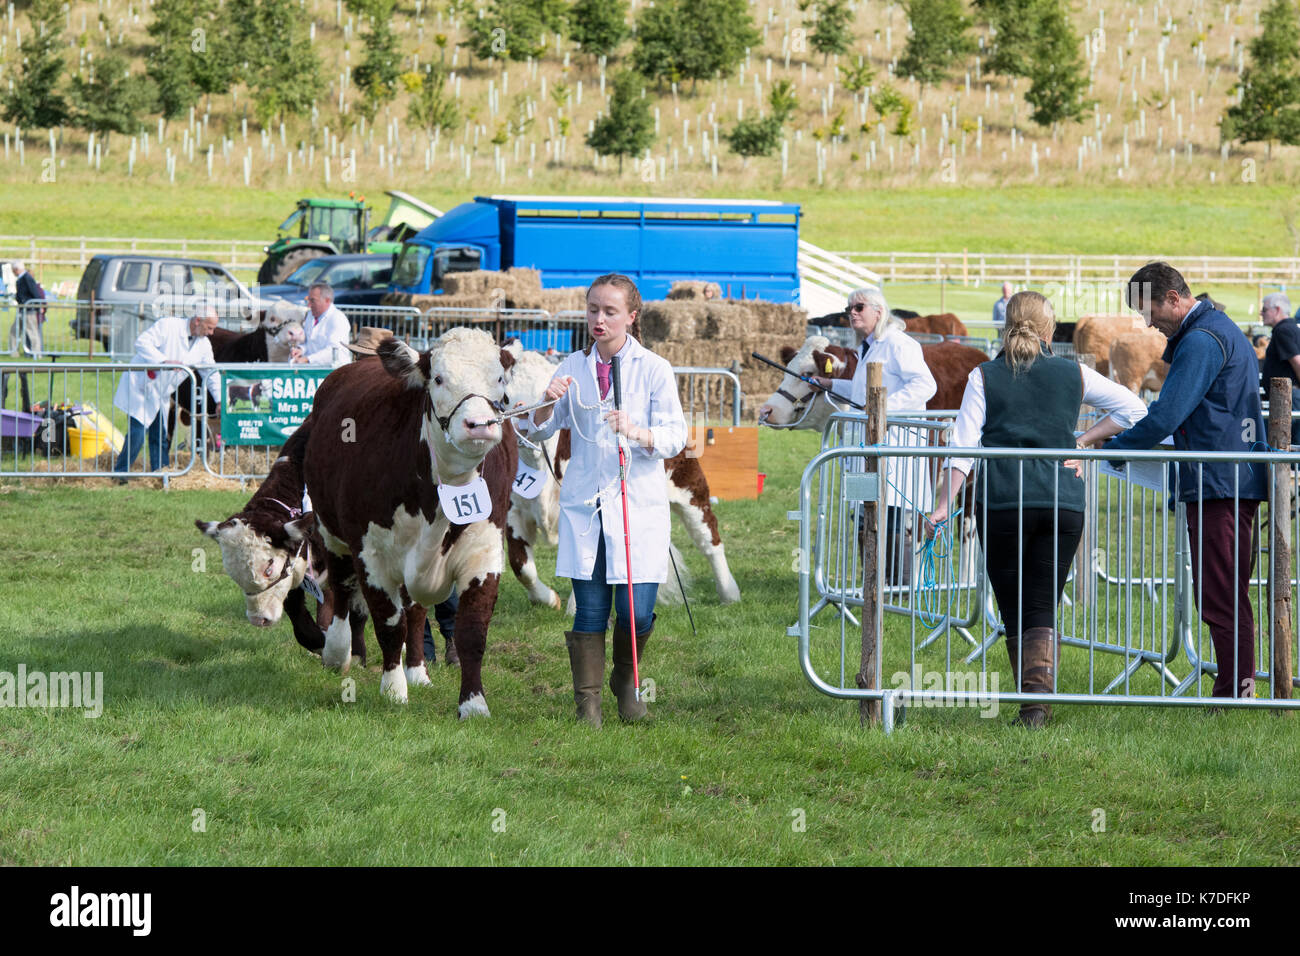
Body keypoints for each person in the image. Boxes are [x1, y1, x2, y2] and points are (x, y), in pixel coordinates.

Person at [927, 291, 1147, 726]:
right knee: (1044, 599)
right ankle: (1036, 705)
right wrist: (1082, 443)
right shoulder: (1074, 373)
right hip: (1062, 500)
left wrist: (940, 508)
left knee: (1012, 602)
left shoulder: (984, 376)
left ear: (1008, 325)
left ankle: (1032, 704)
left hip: (1004, 500)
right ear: (1049, 329)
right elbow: (1134, 410)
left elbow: (962, 450)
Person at [517, 273, 687, 726]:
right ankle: (587, 703)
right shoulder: (570, 368)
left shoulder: (654, 368)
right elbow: (535, 431)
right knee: (590, 608)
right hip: (585, 507)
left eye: (610, 311)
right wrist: (544, 402)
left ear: (631, 317)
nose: (599, 319)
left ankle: (626, 678)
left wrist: (638, 432)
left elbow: (675, 437)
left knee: (636, 610)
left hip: (638, 508)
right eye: (593, 309)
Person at [1105, 262, 1267, 701]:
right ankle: (1237, 685)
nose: (1148, 322)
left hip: (1220, 482)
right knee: (1223, 590)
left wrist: (1116, 450)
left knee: (1221, 593)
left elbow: (1167, 414)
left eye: (1151, 310)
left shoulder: (1200, 340)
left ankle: (1235, 690)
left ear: (1174, 298)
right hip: (1227, 478)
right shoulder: (1212, 330)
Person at [344, 325, 462, 664]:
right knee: (415, 569)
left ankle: (447, 639)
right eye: (358, 358)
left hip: (421, 490)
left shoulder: (414, 392)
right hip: (395, 496)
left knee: (432, 561)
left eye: (364, 358)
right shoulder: (367, 395)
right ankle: (424, 647)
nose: (360, 364)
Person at [810, 287, 937, 584]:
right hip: (865, 445)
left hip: (891, 445)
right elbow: (859, 392)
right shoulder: (869, 346)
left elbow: (925, 385)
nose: (851, 312)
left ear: (878, 311)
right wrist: (828, 383)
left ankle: (898, 587)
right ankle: (873, 584)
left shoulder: (898, 343)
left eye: (859, 307)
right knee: (864, 513)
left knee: (888, 516)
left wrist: (884, 408)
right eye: (849, 308)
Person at [113, 306, 222, 476]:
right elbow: (142, 342)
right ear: (198, 321)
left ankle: (161, 473)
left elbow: (210, 373)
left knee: (160, 435)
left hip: (161, 393)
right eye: (209, 327)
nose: (212, 332)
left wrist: (219, 399)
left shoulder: (204, 345)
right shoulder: (168, 325)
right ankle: (120, 473)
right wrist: (163, 361)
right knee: (138, 433)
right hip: (141, 387)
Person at [1257, 292, 1299, 444]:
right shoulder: (1289, 328)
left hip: (1288, 398)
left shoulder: (1283, 330)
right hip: (1289, 397)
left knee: (1288, 444)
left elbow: (1297, 362)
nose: (1261, 313)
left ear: (1277, 310)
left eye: (1265, 309)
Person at [292, 281, 351, 365]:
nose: (309, 305)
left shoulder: (338, 319)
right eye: (308, 300)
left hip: (336, 372)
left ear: (327, 300)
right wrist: (300, 350)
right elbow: (309, 344)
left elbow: (333, 350)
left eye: (313, 301)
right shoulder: (310, 315)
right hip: (315, 370)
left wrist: (308, 359)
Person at [9, 260, 45, 355]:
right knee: (14, 331)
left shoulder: (27, 278)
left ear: (16, 269)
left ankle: (36, 353)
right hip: (22, 310)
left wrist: (38, 306)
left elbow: (35, 293)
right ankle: (13, 352)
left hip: (29, 310)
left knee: (32, 332)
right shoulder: (21, 279)